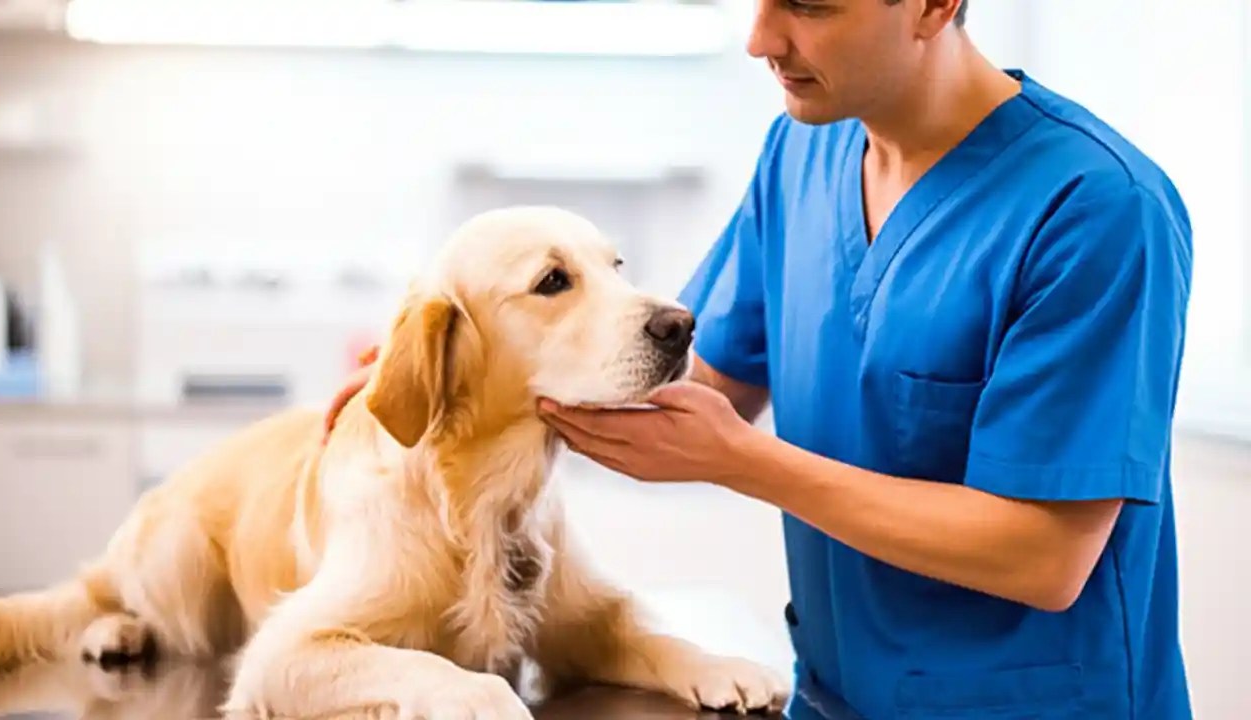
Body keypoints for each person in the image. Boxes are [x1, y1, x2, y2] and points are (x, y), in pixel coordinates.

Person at [323, 1, 1194, 717]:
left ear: (934, 5)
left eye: (808, 7)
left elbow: (1041, 556)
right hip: (830, 698)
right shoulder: (804, 149)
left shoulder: (1098, 210)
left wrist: (751, 467)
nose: (760, 38)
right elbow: (702, 385)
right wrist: (443, 373)